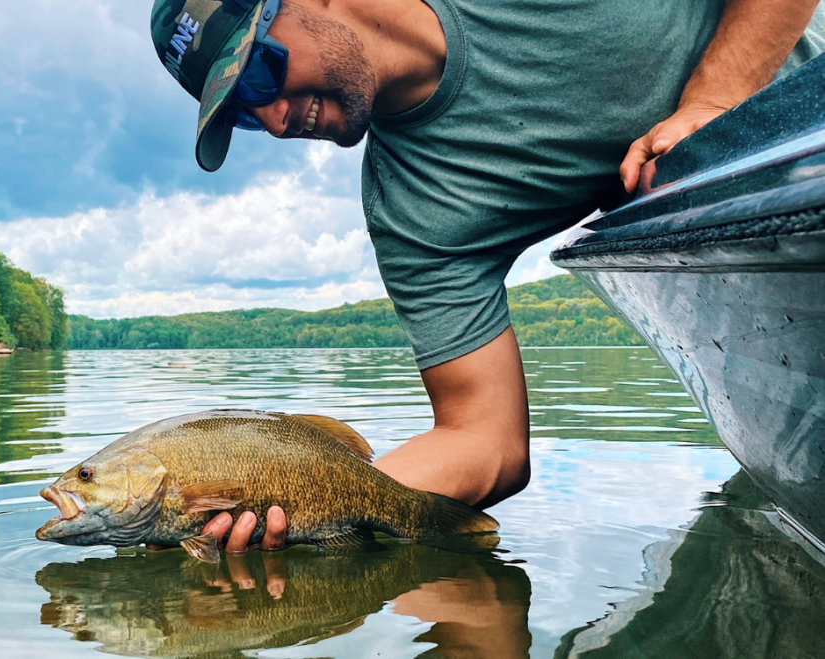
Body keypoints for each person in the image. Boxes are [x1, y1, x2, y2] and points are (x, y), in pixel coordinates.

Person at [148, 0, 825, 551]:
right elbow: (483, 440)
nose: (273, 119)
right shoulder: (409, 216)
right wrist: (306, 499)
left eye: (259, 76)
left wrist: (715, 100)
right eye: (243, 116)